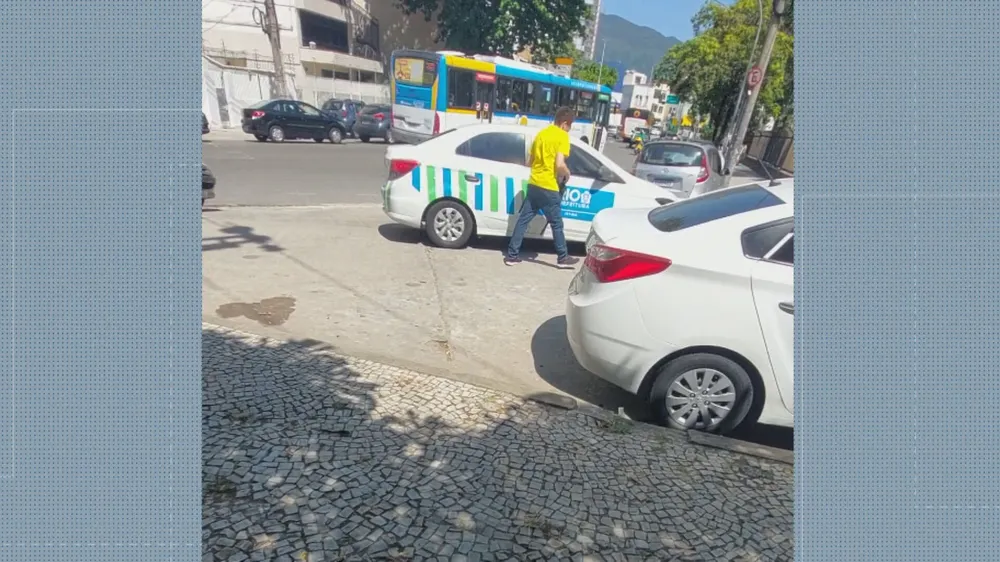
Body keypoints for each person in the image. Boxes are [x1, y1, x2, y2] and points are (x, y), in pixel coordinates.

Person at [504, 106, 580, 269]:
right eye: (570, 126)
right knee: (557, 224)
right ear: (564, 123)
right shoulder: (562, 137)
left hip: (534, 184)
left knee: (523, 220)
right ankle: (562, 257)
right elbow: (559, 164)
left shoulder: (541, 134)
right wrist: (567, 173)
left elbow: (530, 162)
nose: (569, 130)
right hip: (549, 187)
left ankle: (511, 256)